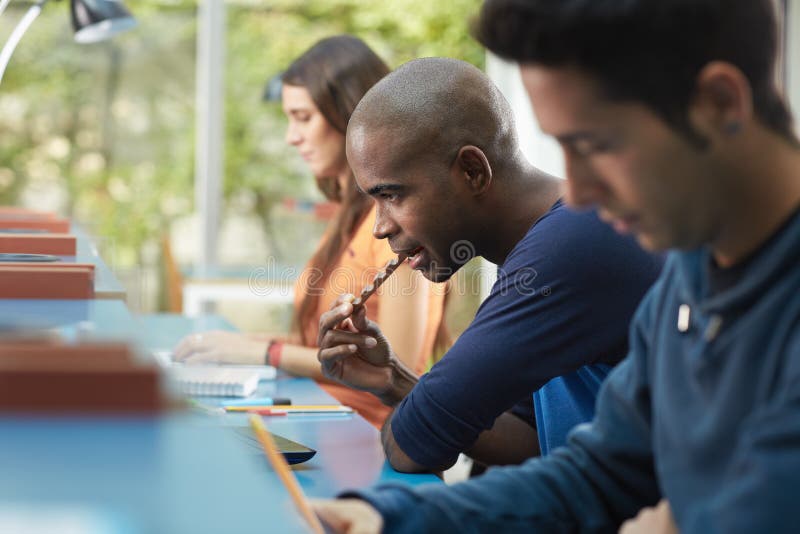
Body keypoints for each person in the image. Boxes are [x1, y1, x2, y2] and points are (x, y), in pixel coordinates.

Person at [311, 0, 800, 531]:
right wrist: (384, 515)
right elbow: (597, 475)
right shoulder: (692, 277)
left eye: (595, 145)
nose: (581, 192)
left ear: (719, 105)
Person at [315, 56, 662, 473]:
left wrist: (418, 416)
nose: (379, 227)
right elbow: (528, 438)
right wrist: (393, 379)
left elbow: (413, 448)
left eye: (392, 195)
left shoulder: (567, 248)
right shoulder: (553, 238)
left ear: (472, 171)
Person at [173, 35, 447, 429]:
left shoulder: (394, 225)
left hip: (363, 435)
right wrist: (240, 346)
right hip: (325, 418)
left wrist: (266, 351)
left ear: (350, 116)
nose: (291, 136)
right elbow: (324, 342)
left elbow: (397, 366)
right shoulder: (347, 218)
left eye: (303, 117)